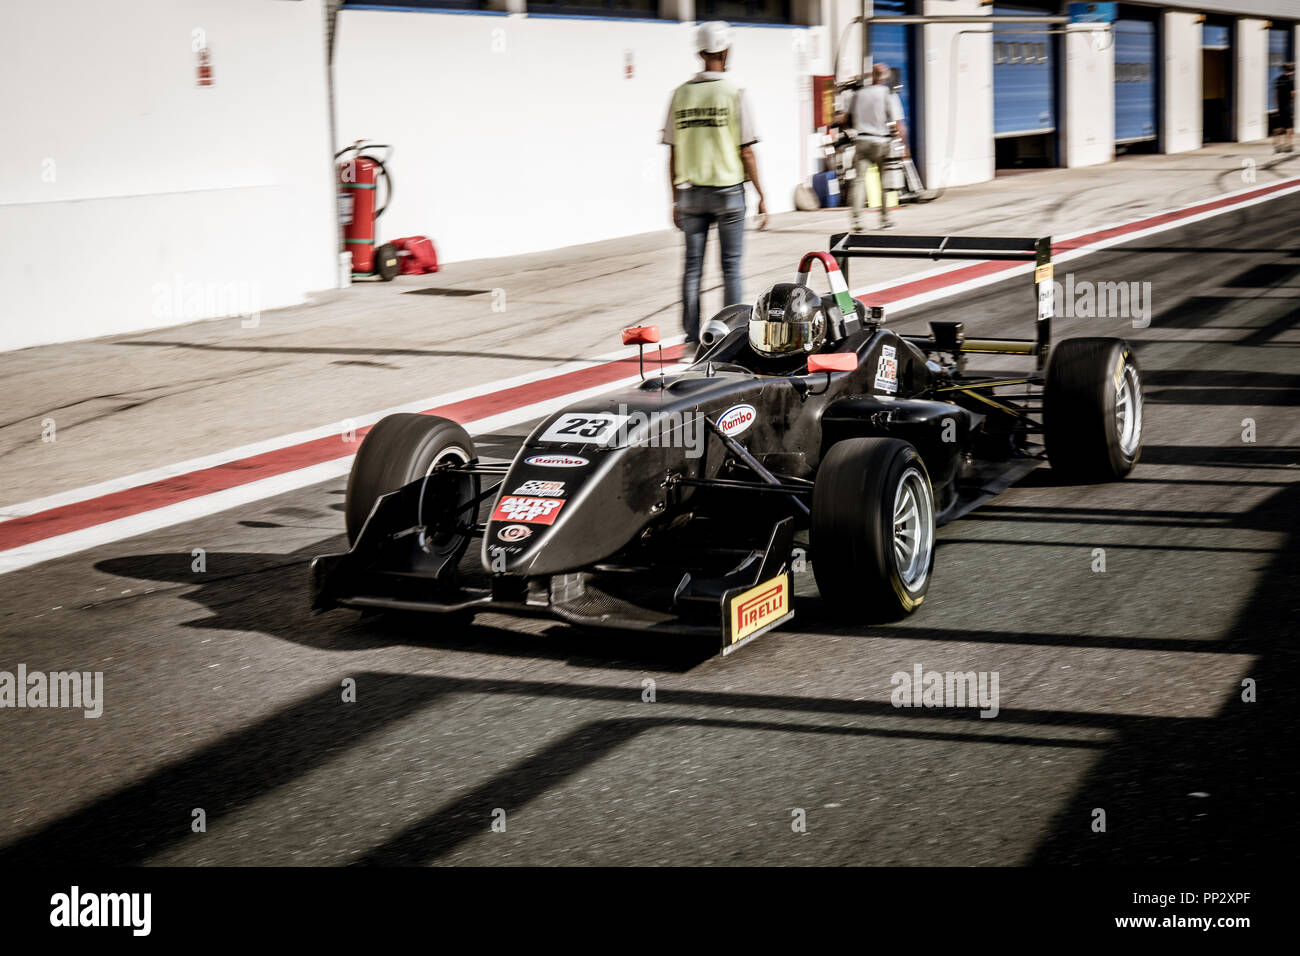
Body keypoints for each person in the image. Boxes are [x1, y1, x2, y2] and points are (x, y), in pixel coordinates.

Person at [663, 21, 768, 344]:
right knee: (731, 267)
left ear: (700, 52)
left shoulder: (680, 94)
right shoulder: (735, 92)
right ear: (726, 50)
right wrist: (762, 194)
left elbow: (673, 151)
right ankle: (730, 335)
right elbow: (746, 151)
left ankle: (691, 339)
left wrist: (675, 199)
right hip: (728, 192)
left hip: (691, 193)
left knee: (692, 269)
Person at [836, 62, 909, 231]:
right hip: (881, 142)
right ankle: (884, 219)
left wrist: (852, 130)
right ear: (884, 77)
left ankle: (856, 220)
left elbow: (845, 119)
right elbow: (898, 124)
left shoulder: (858, 94)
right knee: (883, 182)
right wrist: (904, 147)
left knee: (859, 182)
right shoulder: (888, 94)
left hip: (861, 141)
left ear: (871, 75)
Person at [1275, 62, 1295, 154]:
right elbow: (1293, 94)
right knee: (1289, 127)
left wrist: (1277, 105)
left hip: (1280, 106)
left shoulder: (1278, 79)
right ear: (1291, 70)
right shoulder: (1290, 80)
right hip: (1287, 106)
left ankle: (1278, 145)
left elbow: (1276, 94)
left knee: (1280, 126)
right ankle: (1288, 146)